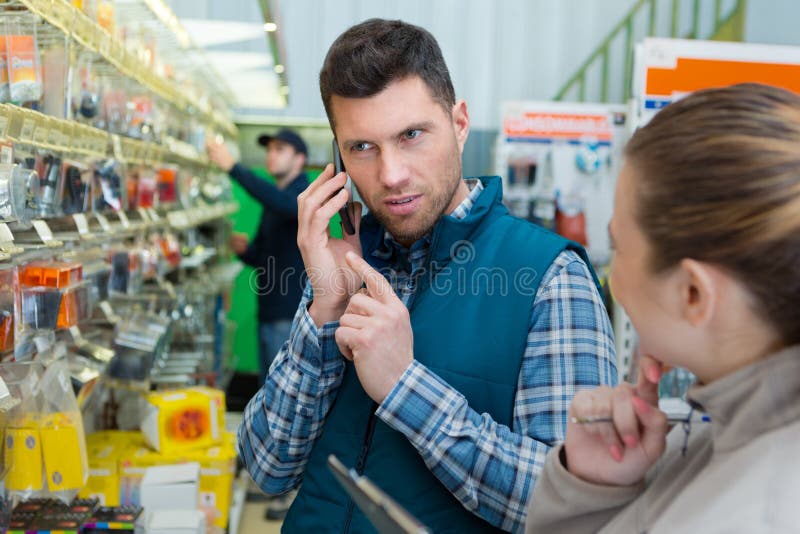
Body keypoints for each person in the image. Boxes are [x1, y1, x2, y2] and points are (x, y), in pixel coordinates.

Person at [238, 19, 617, 533]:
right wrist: (324, 308)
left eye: (411, 135)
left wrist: (404, 385)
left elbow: (572, 509)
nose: (391, 174)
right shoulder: (345, 261)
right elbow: (268, 467)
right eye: (362, 148)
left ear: (460, 123)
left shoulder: (552, 277)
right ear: (338, 158)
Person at [525, 83, 800, 533]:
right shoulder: (719, 441)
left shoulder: (757, 511)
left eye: (619, 245)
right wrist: (593, 490)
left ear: (693, 294)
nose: (613, 278)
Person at [207, 129, 310, 388]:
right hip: (269, 312)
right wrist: (246, 251)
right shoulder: (275, 201)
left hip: (288, 315)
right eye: (269, 149)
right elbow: (265, 257)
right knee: (269, 390)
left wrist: (233, 167)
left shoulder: (303, 195)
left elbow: (283, 203)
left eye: (279, 150)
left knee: (282, 391)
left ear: (299, 159)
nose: (271, 155)